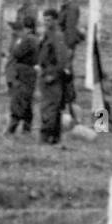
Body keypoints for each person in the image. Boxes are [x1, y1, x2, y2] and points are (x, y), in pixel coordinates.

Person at [36, 9, 72, 144]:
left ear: (56, 21)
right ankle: (54, 138)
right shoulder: (47, 35)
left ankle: (46, 136)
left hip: (52, 77)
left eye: (49, 20)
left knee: (49, 107)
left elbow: (62, 59)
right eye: (45, 20)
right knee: (51, 107)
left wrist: (53, 74)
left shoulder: (57, 36)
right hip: (45, 74)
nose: (46, 22)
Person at [5, 17, 38, 134]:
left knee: (18, 99)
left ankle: (12, 128)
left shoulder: (26, 39)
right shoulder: (34, 38)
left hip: (23, 72)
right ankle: (26, 128)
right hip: (29, 72)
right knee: (26, 100)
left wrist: (16, 42)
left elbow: (16, 52)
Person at [58, 0, 83, 116]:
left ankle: (70, 99)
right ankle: (66, 98)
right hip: (62, 44)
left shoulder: (72, 8)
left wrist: (69, 47)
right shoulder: (66, 6)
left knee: (66, 71)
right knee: (64, 71)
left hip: (67, 45)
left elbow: (70, 29)